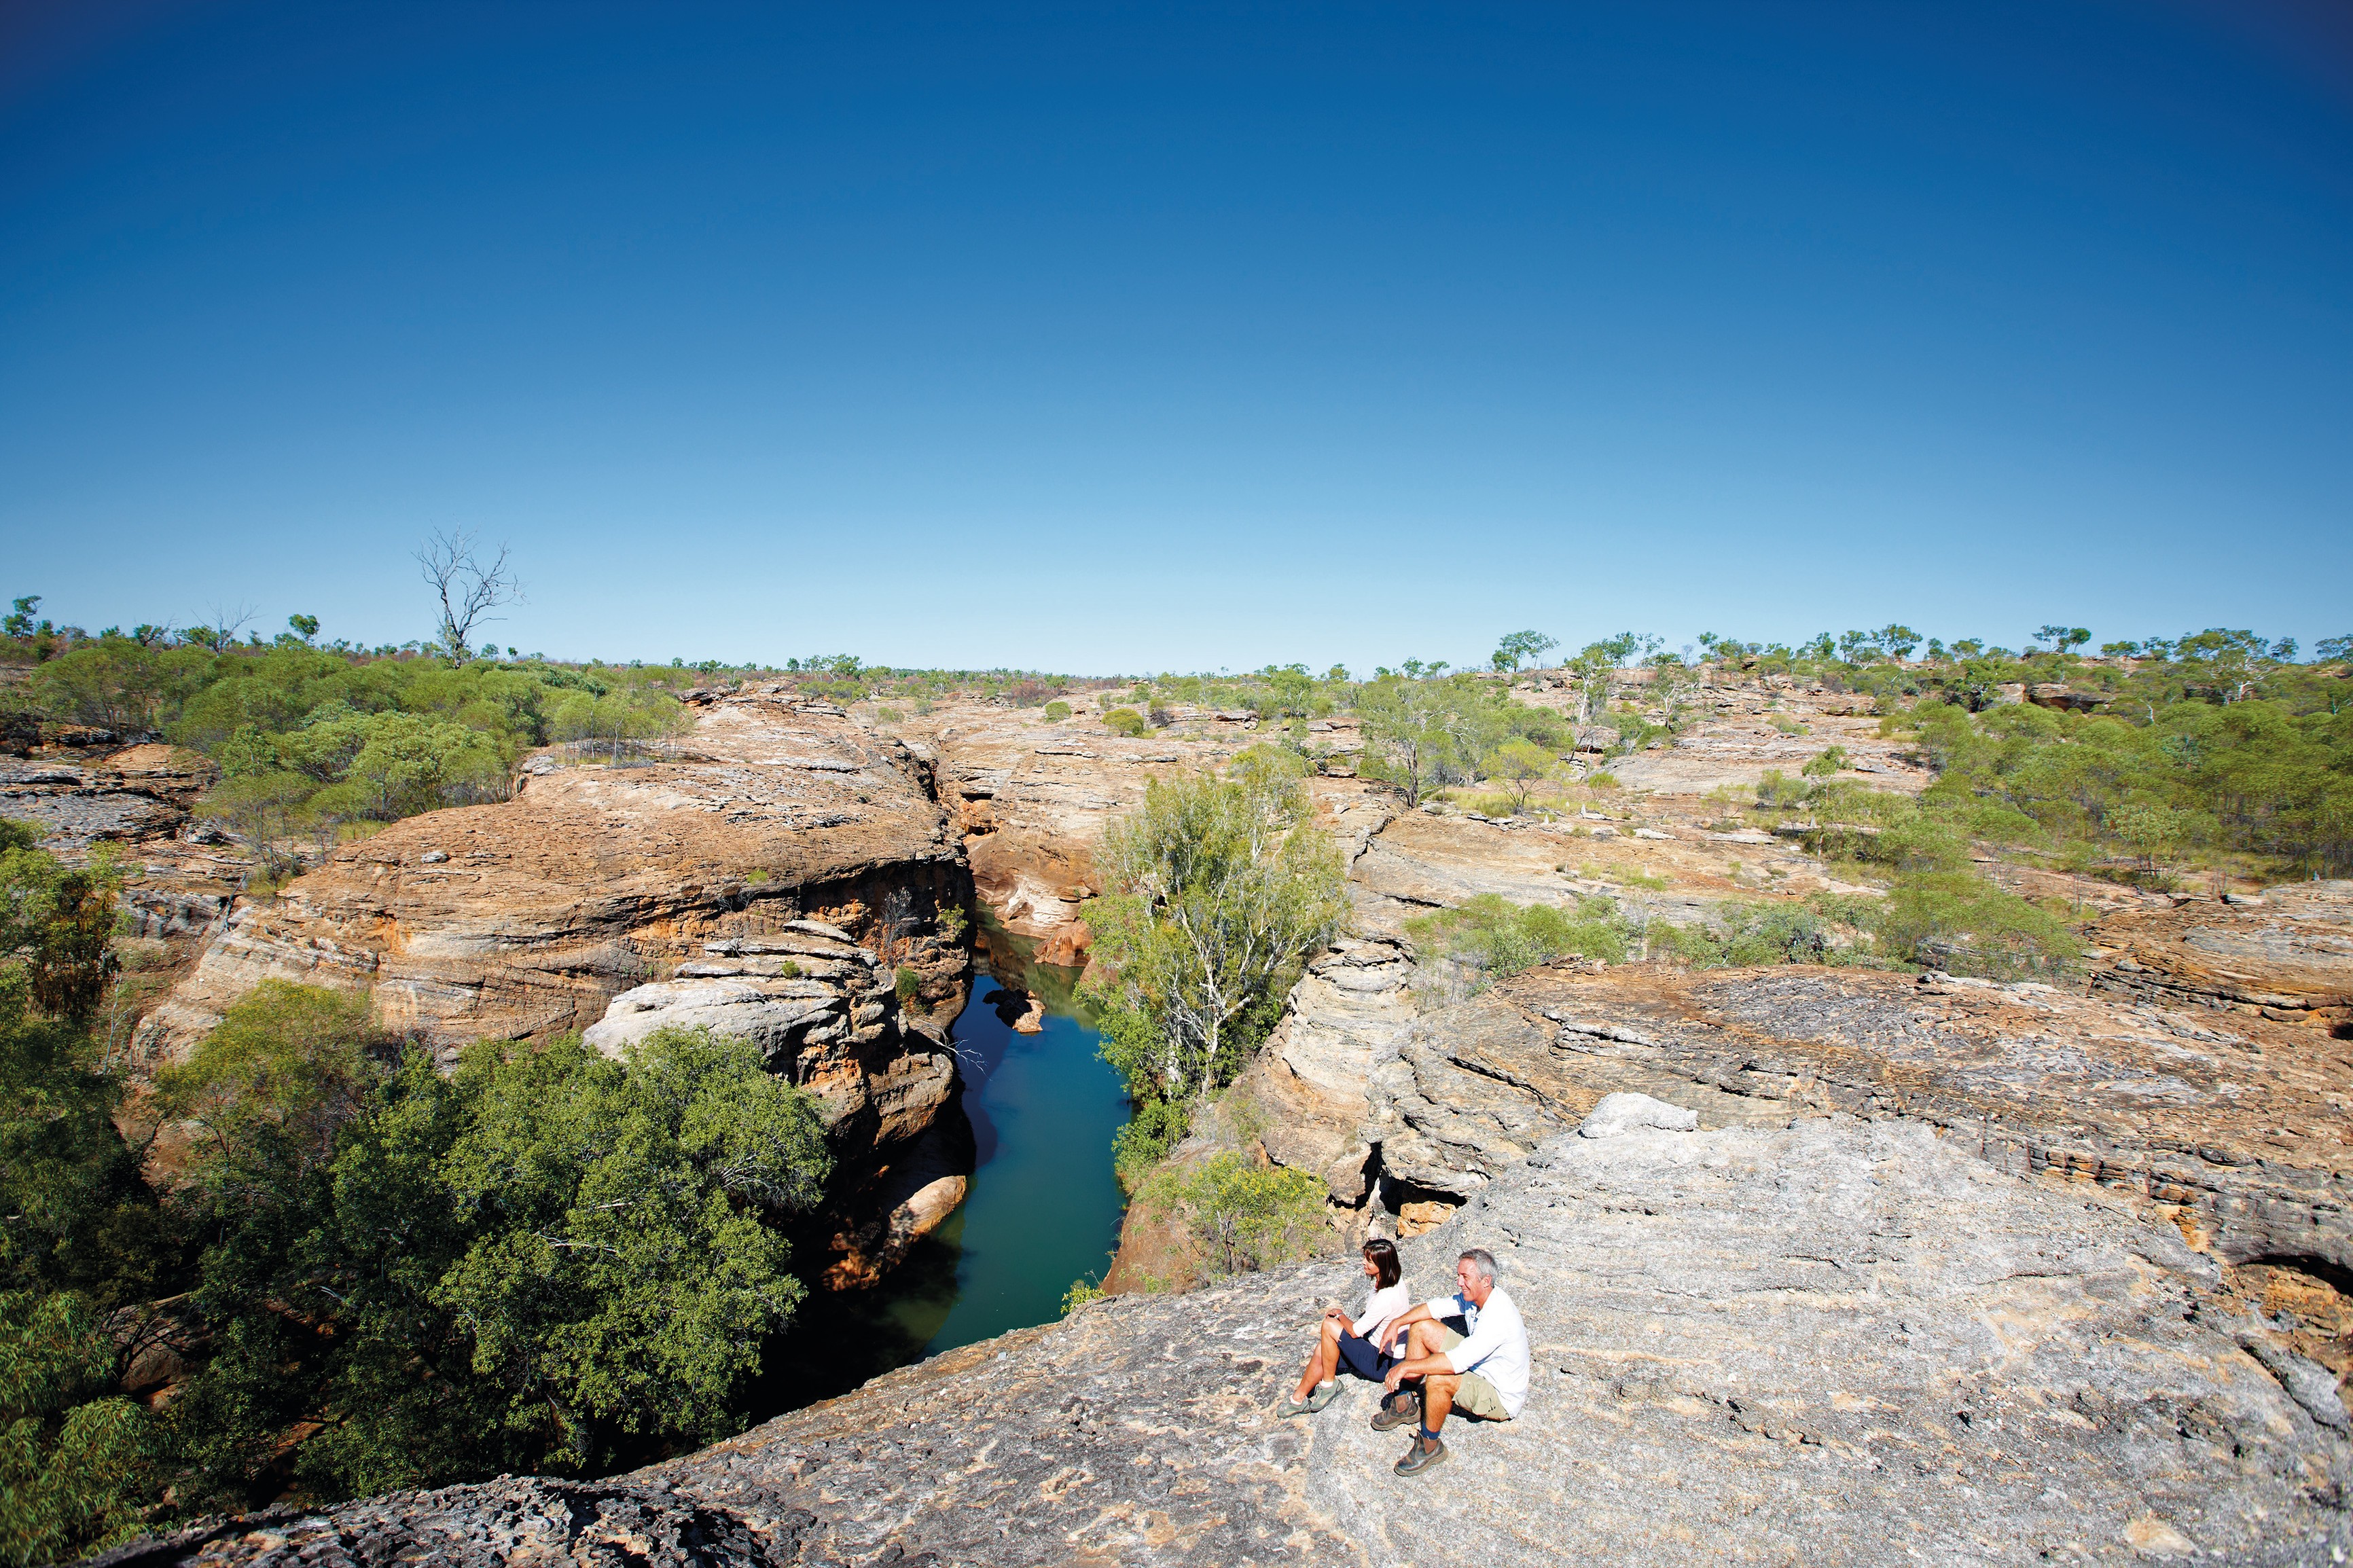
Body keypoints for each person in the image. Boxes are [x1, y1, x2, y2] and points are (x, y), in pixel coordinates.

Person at [1368, 1247, 1528, 1476]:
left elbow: (1456, 1362)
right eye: (1459, 1275)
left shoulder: (1498, 1316)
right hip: (1478, 1366)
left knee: (1439, 1379)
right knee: (1422, 1327)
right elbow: (1434, 1308)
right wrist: (1397, 1323)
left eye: (1465, 1277)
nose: (1459, 1282)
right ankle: (1405, 1404)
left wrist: (1405, 1366)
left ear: (1486, 1280)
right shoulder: (1476, 1298)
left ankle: (1430, 1446)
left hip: (1498, 1394)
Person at [1274, 1237, 1410, 1417]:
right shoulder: (1391, 1278)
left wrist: (1340, 1315)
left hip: (1384, 1363)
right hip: (1376, 1349)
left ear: (1383, 1264)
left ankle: (1329, 1386)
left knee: (1330, 1325)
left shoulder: (1387, 1297)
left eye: (1369, 1261)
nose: (1363, 1263)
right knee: (1323, 1349)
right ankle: (1298, 1399)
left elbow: (1355, 1332)